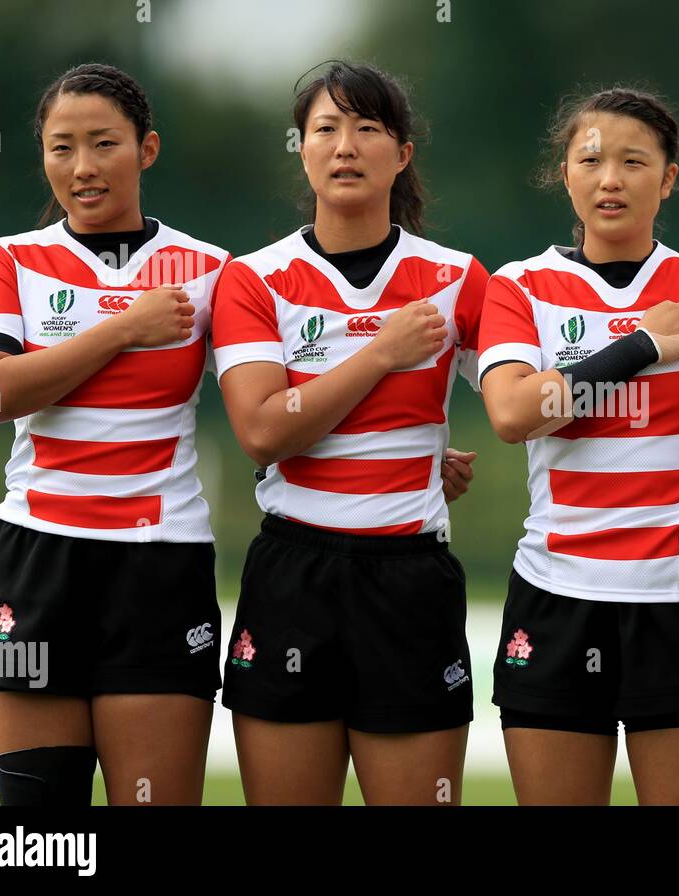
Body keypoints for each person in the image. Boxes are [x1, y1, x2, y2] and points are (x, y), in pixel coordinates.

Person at [478, 87, 679, 805]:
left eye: (634, 161)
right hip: (556, 596)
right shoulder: (521, 287)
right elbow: (515, 411)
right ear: (565, 173)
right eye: (592, 160)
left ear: (667, 179)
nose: (611, 179)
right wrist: (641, 343)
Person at [211, 61, 485, 805]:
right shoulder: (253, 278)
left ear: (402, 154)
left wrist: (667, 491)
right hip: (293, 574)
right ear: (299, 148)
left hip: (411, 580)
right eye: (326, 129)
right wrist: (382, 355)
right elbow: (265, 431)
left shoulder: (457, 278)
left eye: (368, 128)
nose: (345, 146)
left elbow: (527, 404)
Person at [0, 62, 228, 805]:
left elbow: (269, 407)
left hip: (160, 568)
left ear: (147, 149)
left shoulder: (210, 271)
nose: (81, 168)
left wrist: (427, 458)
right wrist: (124, 330)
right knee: (41, 834)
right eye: (60, 147)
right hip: (33, 566)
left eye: (104, 144)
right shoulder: (11, 259)